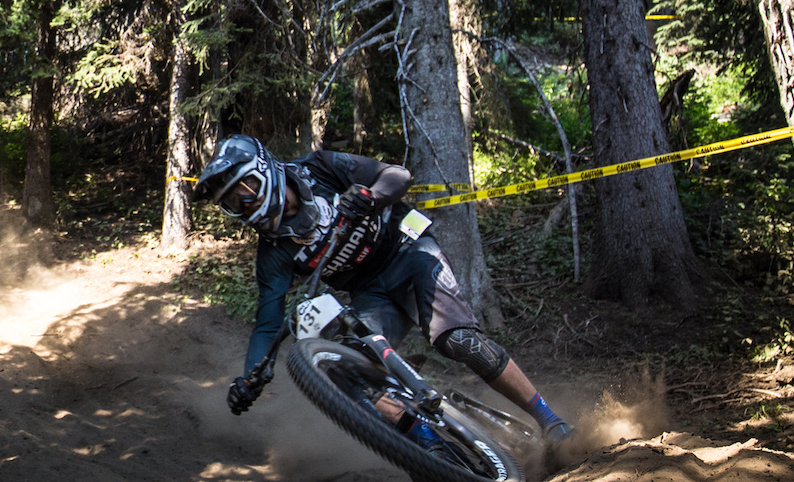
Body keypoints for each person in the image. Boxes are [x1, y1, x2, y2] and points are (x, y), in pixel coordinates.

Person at [192, 134, 573, 452]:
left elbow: (397, 175)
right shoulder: (274, 253)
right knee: (348, 370)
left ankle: (549, 420)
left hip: (409, 251)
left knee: (457, 340)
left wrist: (371, 197)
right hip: (370, 294)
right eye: (232, 204)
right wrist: (249, 378)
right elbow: (267, 321)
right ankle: (428, 447)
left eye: (246, 190)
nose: (245, 205)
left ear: (267, 171)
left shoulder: (319, 167)